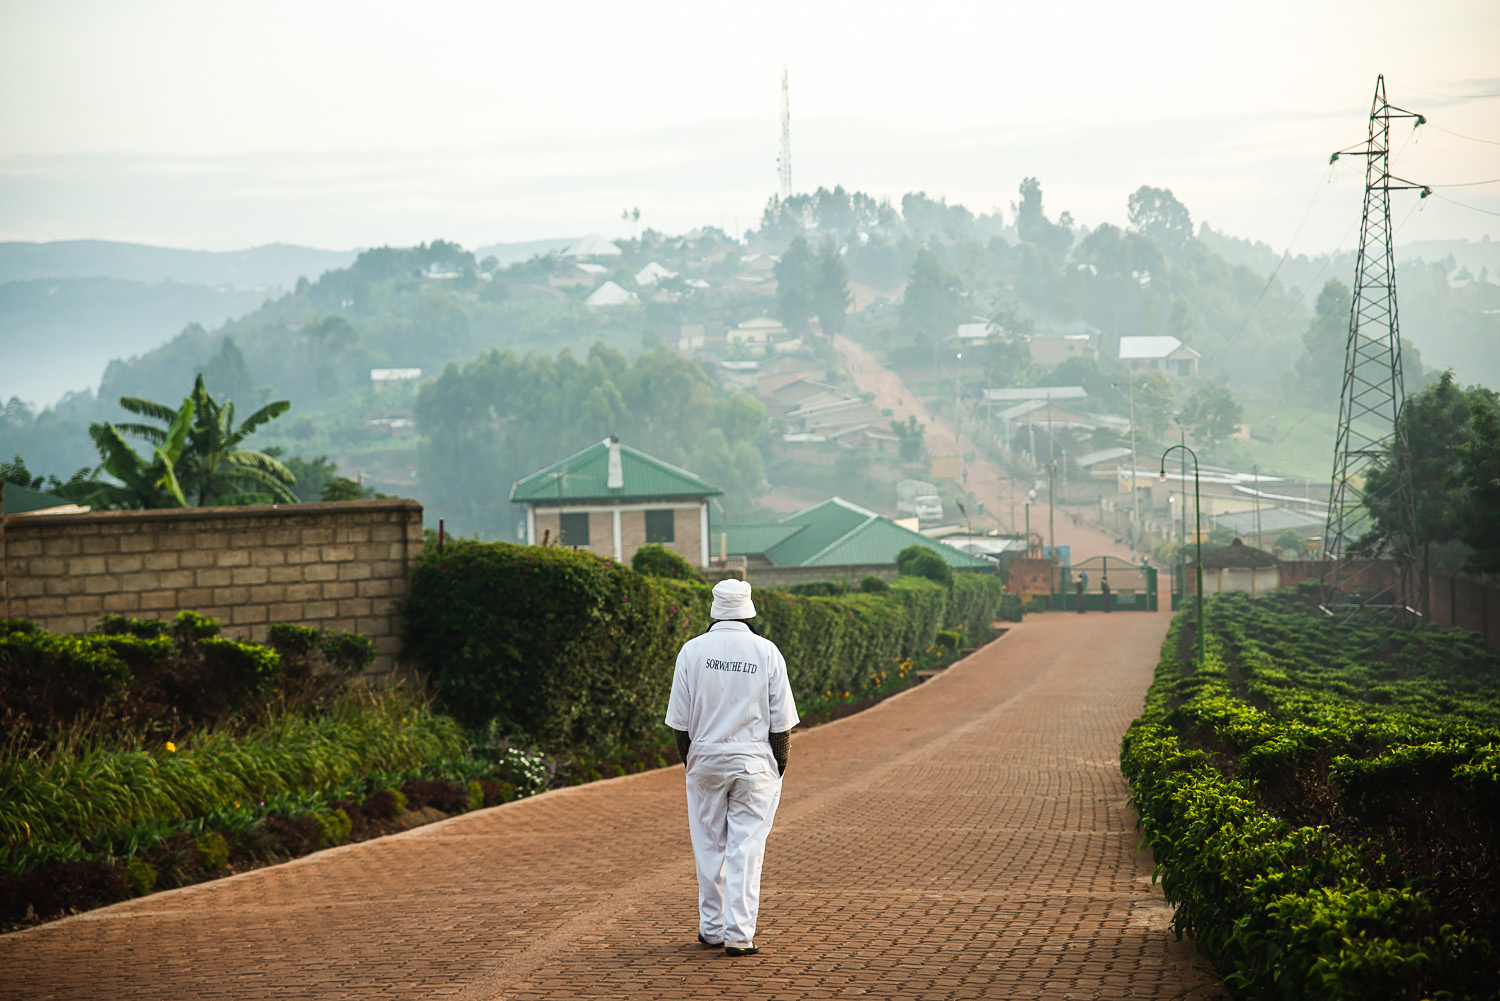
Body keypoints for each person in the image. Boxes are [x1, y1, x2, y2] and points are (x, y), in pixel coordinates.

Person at [666, 578, 799, 958]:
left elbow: (679, 725)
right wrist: (779, 766)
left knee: (708, 844)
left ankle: (711, 929)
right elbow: (781, 725)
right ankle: (739, 936)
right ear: (749, 608)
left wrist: (692, 760)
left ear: (715, 608)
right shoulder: (767, 651)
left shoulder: (691, 652)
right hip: (755, 760)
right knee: (746, 848)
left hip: (704, 757)